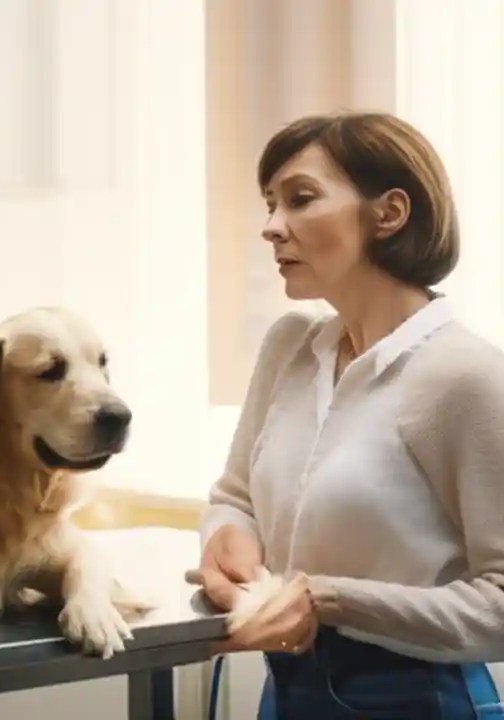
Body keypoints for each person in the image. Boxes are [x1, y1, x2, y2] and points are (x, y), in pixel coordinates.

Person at [197, 110, 504, 718]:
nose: (271, 227)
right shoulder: (288, 348)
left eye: (300, 199)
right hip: (284, 694)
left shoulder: (465, 376)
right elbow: (233, 497)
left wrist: (328, 599)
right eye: (268, 204)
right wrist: (226, 540)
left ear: (388, 213)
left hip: (418, 700)